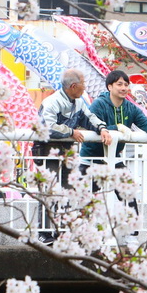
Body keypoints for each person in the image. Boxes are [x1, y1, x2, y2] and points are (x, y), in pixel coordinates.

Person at [79, 70, 147, 239]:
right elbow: (92, 125)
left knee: (128, 192)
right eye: (119, 84)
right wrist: (118, 128)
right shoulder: (99, 104)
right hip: (93, 159)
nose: (124, 88)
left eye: (126, 84)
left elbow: (145, 124)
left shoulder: (129, 107)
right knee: (84, 199)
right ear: (110, 86)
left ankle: (132, 235)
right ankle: (80, 234)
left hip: (114, 159)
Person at [34, 69, 112, 243]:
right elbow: (48, 126)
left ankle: (62, 230)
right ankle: (44, 232)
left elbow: (89, 117)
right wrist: (71, 131)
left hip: (67, 151)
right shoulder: (52, 102)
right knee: (49, 191)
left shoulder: (78, 102)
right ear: (74, 86)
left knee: (68, 190)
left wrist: (101, 128)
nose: (85, 88)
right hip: (47, 150)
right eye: (83, 84)